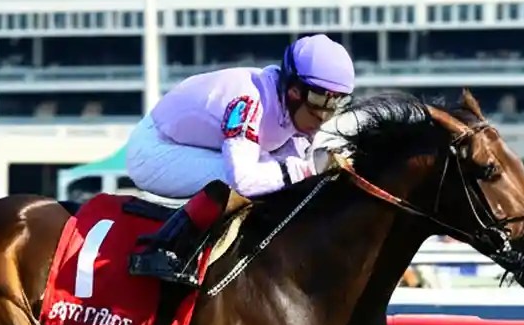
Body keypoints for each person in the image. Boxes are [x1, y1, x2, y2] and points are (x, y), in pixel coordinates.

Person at [124, 33, 356, 286]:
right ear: (294, 91)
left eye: (336, 103)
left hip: (194, 145)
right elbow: (243, 180)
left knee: (276, 180)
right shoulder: (248, 102)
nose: (324, 116)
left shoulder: (296, 115)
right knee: (236, 178)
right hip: (153, 150)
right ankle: (164, 249)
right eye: (319, 100)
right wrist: (307, 170)